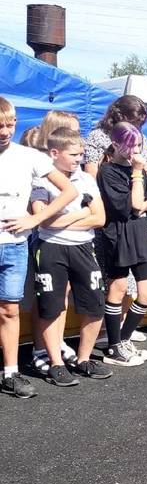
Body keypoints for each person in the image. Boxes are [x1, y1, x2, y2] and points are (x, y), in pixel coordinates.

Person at [0, 97, 78, 398]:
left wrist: (35, 218)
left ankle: (11, 372)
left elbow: (68, 190)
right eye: (0, 125)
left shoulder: (28, 156)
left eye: (11, 125)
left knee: (9, 310)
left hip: (14, 246)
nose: (6, 131)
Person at [30, 127, 112, 386]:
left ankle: (84, 359)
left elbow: (99, 218)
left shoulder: (87, 180)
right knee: (52, 307)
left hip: (83, 248)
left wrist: (61, 220)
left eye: (81, 154)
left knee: (95, 304)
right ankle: (56, 363)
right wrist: (80, 215)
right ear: (54, 153)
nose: (79, 159)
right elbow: (42, 218)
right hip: (51, 248)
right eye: (74, 154)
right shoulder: (41, 180)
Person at [97, 122, 147, 366]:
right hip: (118, 234)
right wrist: (137, 175)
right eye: (130, 146)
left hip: (140, 232)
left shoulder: (140, 169)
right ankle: (114, 346)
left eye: (138, 145)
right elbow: (131, 205)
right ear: (115, 144)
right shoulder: (107, 171)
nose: (136, 151)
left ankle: (123, 340)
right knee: (118, 288)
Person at [83, 95, 147, 177]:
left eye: (140, 124)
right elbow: (92, 176)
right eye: (134, 123)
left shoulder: (140, 137)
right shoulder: (96, 137)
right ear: (118, 117)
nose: (137, 128)